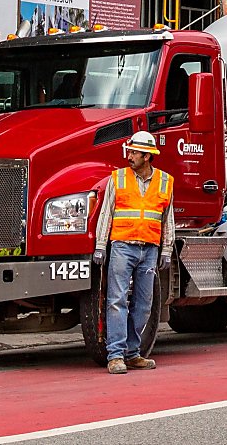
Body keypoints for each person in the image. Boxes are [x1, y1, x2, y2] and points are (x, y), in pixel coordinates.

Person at [93, 130, 175, 373]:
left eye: (135, 152)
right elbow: (106, 213)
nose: (129, 155)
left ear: (147, 156)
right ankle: (115, 355)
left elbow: (166, 219)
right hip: (122, 247)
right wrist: (100, 246)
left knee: (144, 305)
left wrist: (167, 249)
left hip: (149, 249)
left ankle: (132, 353)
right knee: (116, 301)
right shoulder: (117, 179)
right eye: (129, 151)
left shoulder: (164, 181)